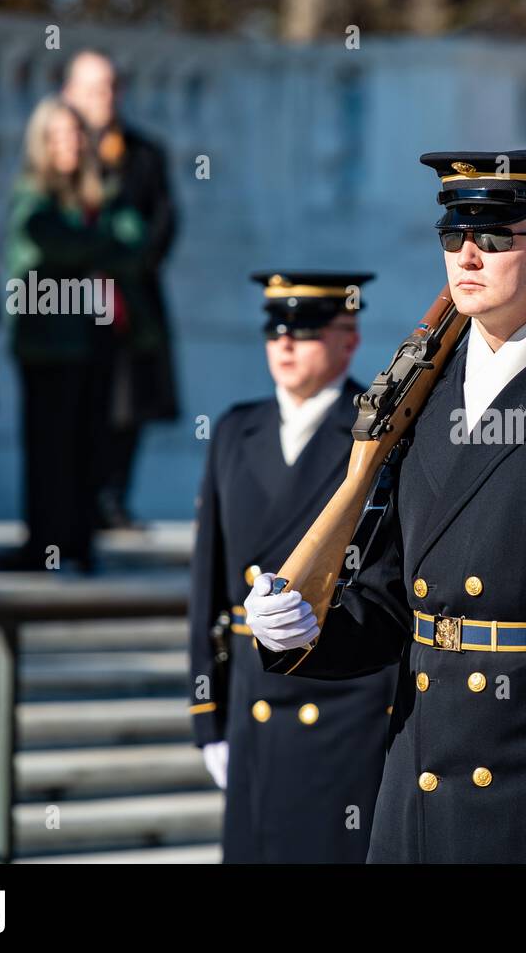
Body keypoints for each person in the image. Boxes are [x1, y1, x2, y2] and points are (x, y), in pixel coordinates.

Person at [243, 149, 526, 864]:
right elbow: (395, 602)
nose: (468, 256)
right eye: (453, 238)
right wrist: (300, 631)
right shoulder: (423, 404)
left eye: (493, 239)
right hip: (413, 792)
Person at [188, 270, 397, 863]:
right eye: (275, 329)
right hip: (252, 700)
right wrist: (207, 712)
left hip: (339, 706)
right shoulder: (234, 429)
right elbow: (209, 580)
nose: (284, 343)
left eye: (305, 331)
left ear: (349, 340)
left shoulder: (375, 436)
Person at [5, 96, 148, 572]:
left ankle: (81, 546)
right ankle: (43, 545)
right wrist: (97, 248)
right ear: (42, 143)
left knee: (92, 447)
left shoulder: (103, 192)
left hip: (95, 340)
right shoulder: (32, 195)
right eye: (58, 135)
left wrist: (92, 250)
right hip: (46, 343)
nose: (69, 143)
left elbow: (136, 247)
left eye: (75, 134)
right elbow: (52, 245)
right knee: (48, 448)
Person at [62, 49, 179, 529]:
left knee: (129, 403)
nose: (104, 97)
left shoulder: (144, 152)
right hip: (73, 303)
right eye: (93, 88)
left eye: (111, 86)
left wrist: (129, 266)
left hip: (133, 303)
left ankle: (112, 500)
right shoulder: (61, 150)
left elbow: (165, 222)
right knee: (76, 402)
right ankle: (75, 503)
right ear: (70, 94)